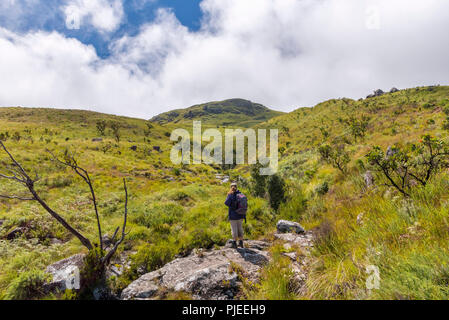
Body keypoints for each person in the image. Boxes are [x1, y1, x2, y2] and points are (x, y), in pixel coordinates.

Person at [225, 182, 244, 249]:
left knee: (234, 230)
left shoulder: (230, 195)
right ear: (236, 187)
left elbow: (226, 203)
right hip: (241, 215)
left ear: (231, 187)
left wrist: (229, 195)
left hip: (233, 216)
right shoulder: (241, 194)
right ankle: (241, 242)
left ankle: (234, 244)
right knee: (240, 229)